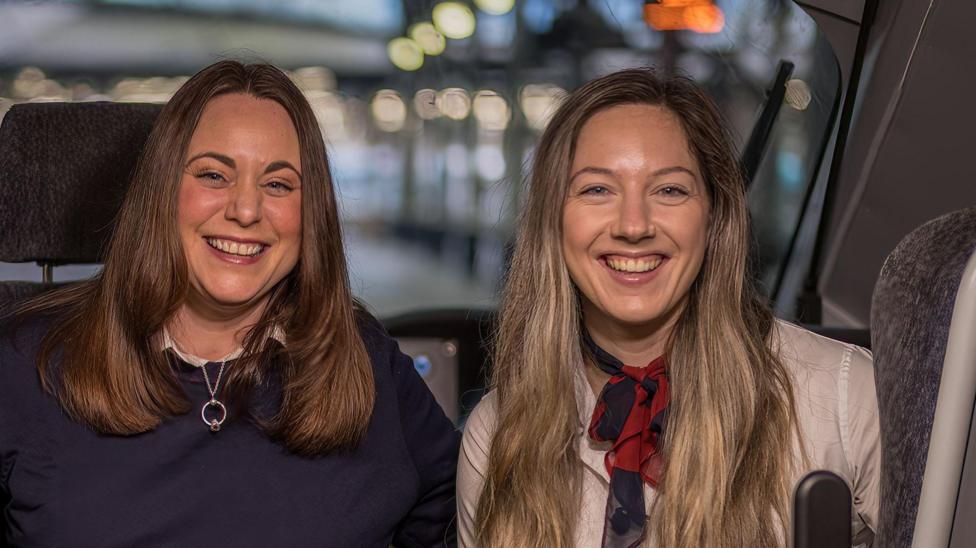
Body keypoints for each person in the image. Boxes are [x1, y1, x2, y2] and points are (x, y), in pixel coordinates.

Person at [0, 61, 459, 547]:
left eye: (278, 184)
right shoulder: (26, 361)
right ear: (160, 192)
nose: (245, 210)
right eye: (214, 175)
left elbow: (456, 514)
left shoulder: (364, 358)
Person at [457, 68, 879, 547]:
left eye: (670, 190)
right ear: (553, 222)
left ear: (714, 216)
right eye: (597, 189)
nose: (633, 225)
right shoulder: (497, 434)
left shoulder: (845, 396)